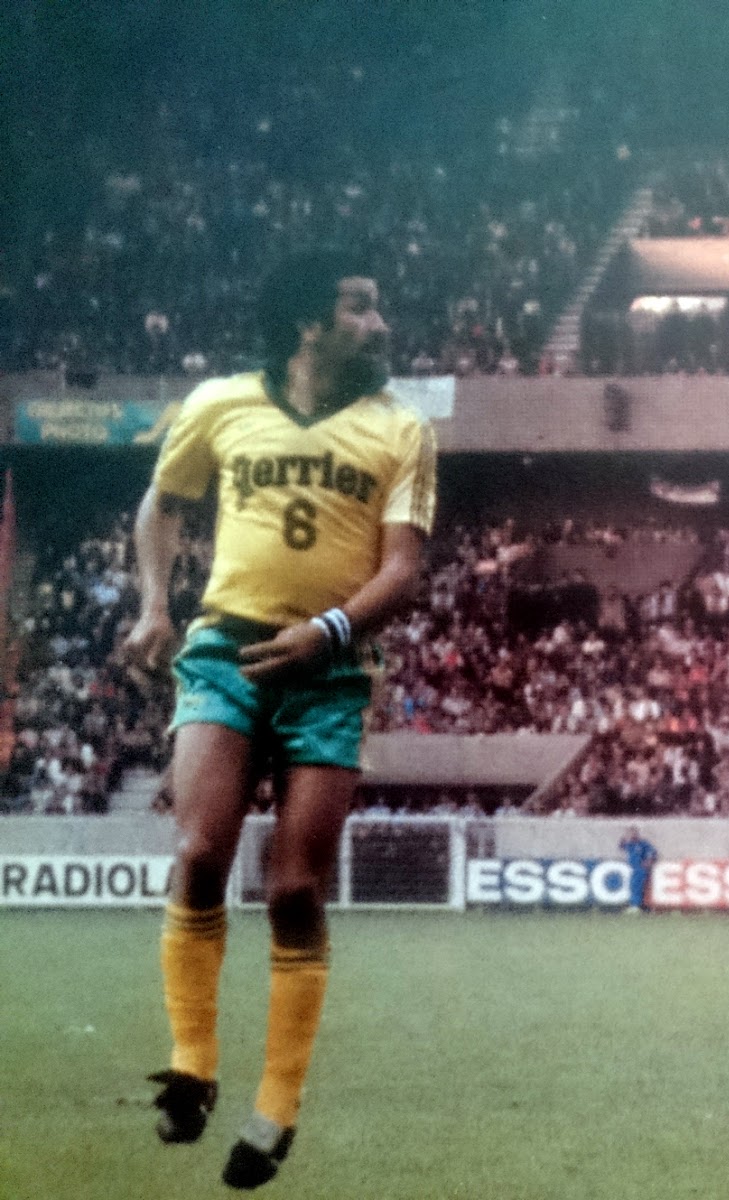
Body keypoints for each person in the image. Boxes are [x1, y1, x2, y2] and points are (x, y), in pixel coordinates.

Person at [124, 250, 435, 1188]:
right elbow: (162, 504)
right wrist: (153, 604)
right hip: (225, 651)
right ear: (310, 321)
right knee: (200, 854)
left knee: (296, 890)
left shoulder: (402, 427)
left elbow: (403, 570)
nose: (380, 326)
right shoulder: (218, 402)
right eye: (361, 307)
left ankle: (277, 1111)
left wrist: (328, 632)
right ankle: (193, 1067)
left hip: (332, 668)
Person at [620, 825, 659, 913]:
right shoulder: (630, 844)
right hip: (634, 868)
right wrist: (624, 837)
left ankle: (636, 906)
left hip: (640, 868)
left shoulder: (643, 843)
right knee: (634, 886)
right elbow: (622, 846)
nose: (631, 835)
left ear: (637, 834)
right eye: (629, 833)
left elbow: (652, 852)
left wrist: (648, 862)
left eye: (633, 833)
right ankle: (639, 906)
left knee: (637, 886)